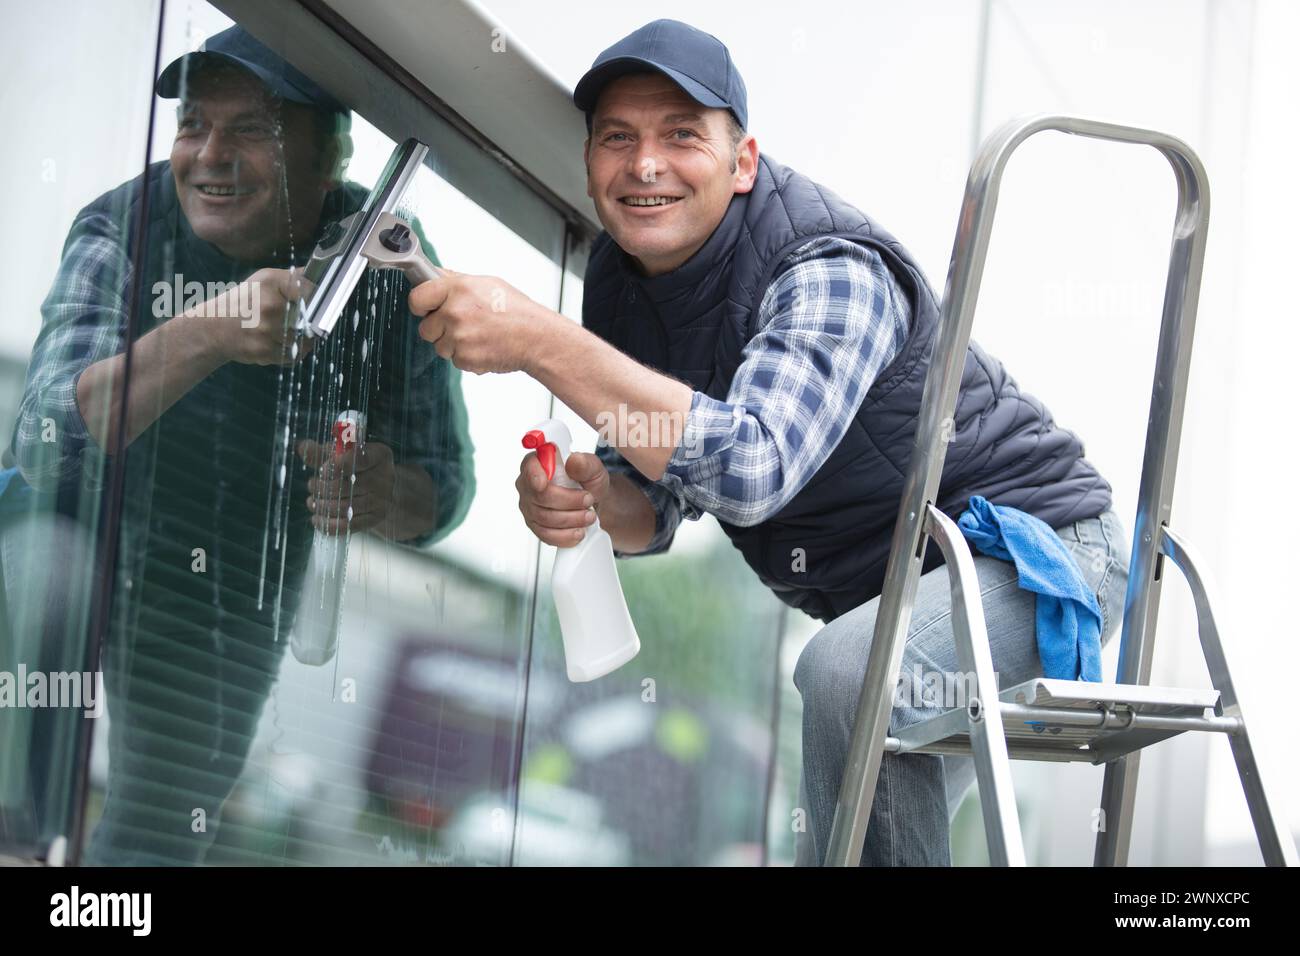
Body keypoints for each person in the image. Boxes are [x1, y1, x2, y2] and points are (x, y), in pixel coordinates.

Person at [406, 19, 1130, 866]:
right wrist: (598, 503)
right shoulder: (620, 286)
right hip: (896, 595)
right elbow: (660, 506)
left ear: (743, 161)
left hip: (1036, 560)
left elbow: (752, 469)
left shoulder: (828, 267)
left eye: (682, 136)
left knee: (847, 681)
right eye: (618, 139)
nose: (645, 164)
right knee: (855, 812)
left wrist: (537, 338)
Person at [2, 25, 473, 864]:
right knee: (52, 595)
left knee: (155, 840)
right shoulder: (122, 224)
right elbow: (43, 439)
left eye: (250, 129)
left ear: (330, 157)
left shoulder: (383, 259)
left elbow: (443, 491)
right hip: (67, 536)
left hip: (222, 578)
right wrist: (209, 331)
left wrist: (379, 492)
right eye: (193, 125)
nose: (208, 156)